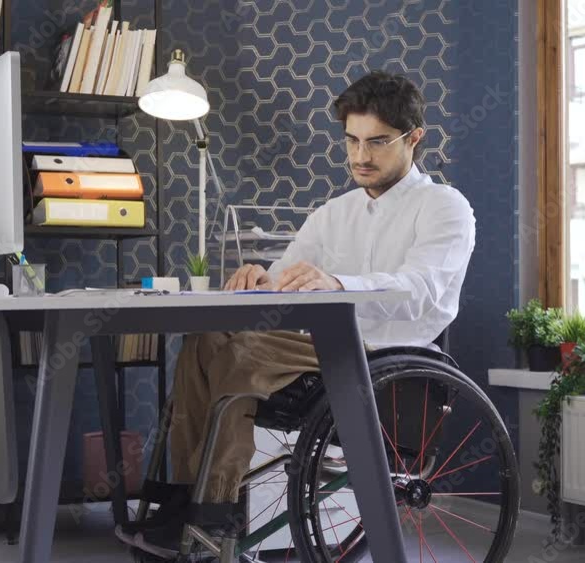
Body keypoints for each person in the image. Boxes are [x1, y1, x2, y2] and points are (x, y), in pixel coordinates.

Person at [120, 70, 477, 558]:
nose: (359, 156)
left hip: (391, 362)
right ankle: (184, 502)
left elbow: (421, 290)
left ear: (414, 138)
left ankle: (212, 516)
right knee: (204, 338)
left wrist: (338, 283)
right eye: (351, 140)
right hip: (322, 350)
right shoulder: (334, 213)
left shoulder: (445, 208)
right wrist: (258, 276)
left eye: (376, 142)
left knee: (242, 352)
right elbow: (284, 276)